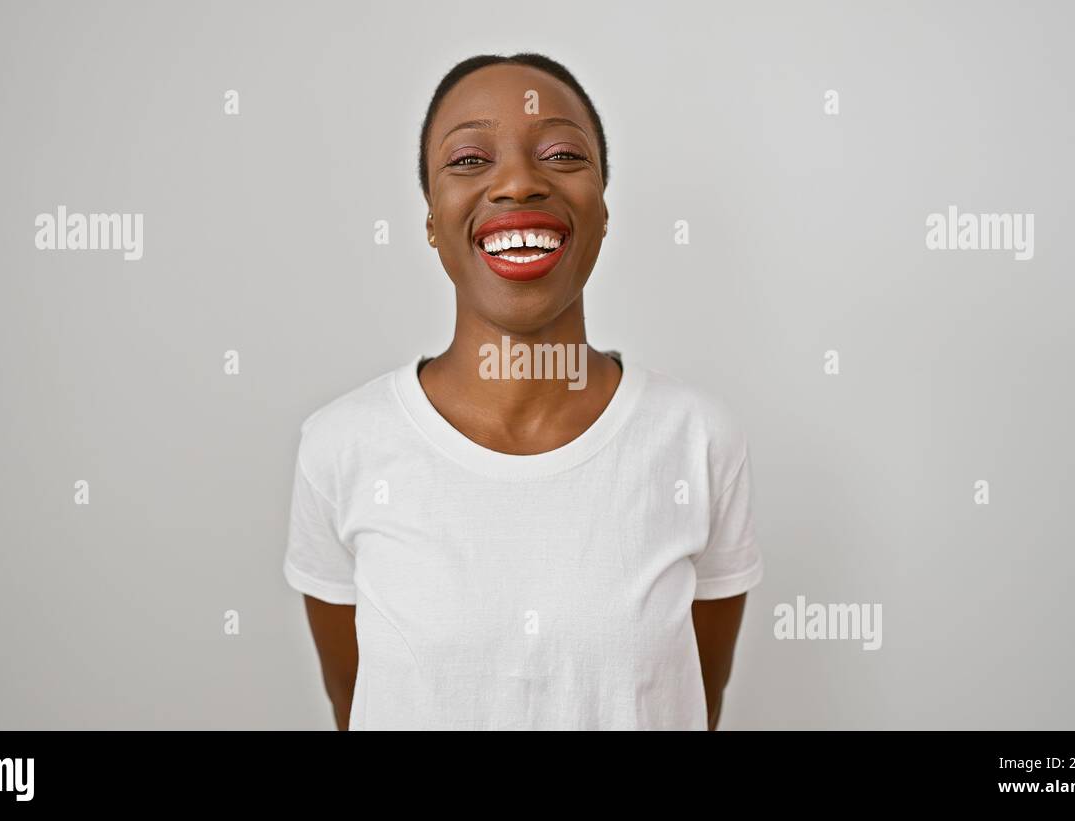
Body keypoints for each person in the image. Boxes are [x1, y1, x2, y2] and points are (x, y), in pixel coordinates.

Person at [284, 53, 762, 730]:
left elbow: (692, 706)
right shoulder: (339, 447)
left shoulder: (698, 439)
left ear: (602, 211)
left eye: (563, 154)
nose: (517, 181)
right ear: (429, 219)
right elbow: (352, 700)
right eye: (470, 160)